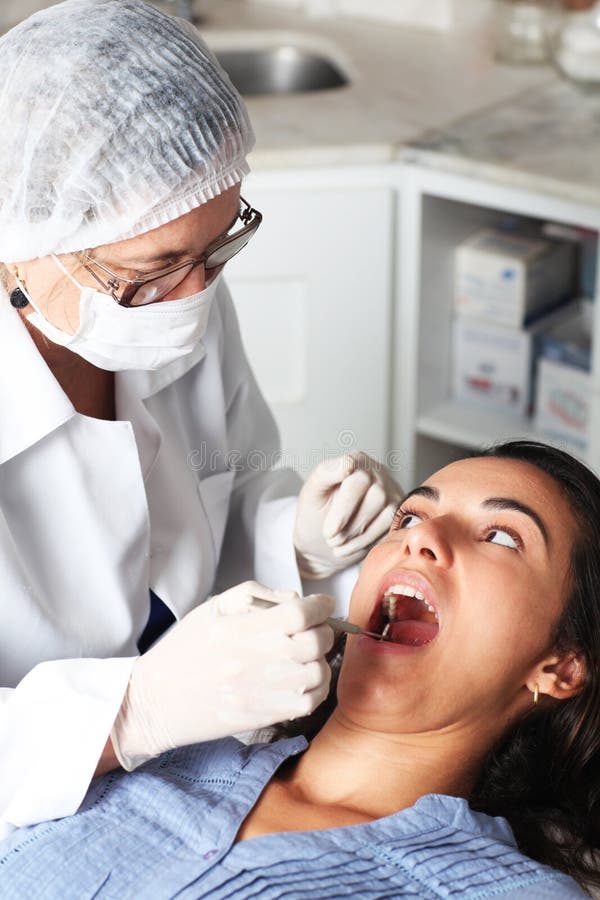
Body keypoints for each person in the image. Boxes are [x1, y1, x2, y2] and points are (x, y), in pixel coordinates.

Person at [0, 0, 403, 834]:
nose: (196, 294)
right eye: (155, 268)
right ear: (18, 238)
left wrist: (296, 539)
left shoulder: (179, 297)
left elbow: (227, 490)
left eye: (220, 245)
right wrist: (132, 713)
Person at [1, 440, 598, 899]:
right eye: (410, 518)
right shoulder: (140, 751)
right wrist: (129, 716)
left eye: (501, 536)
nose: (423, 539)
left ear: (561, 666)